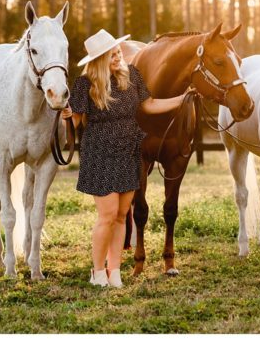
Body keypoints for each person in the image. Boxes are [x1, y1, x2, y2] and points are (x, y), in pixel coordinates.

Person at [62, 29, 187, 288]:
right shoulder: (85, 84)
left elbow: (149, 105)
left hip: (129, 152)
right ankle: (98, 271)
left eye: (118, 52)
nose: (119, 57)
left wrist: (182, 99)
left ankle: (114, 270)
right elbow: (73, 124)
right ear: (99, 60)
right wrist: (65, 116)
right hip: (100, 153)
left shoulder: (132, 77)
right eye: (112, 55)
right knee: (107, 215)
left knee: (121, 216)